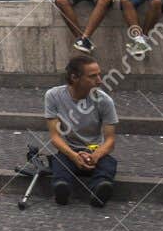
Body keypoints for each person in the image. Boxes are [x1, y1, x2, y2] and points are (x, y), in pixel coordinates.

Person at [43, 55, 118, 207]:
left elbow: (110, 140)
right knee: (60, 162)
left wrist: (95, 156)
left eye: (99, 74)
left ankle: (99, 189)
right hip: (69, 149)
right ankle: (62, 188)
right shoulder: (53, 96)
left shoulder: (105, 101)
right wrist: (74, 155)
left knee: (108, 164)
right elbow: (55, 137)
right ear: (74, 77)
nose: (99, 80)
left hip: (95, 149)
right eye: (92, 76)